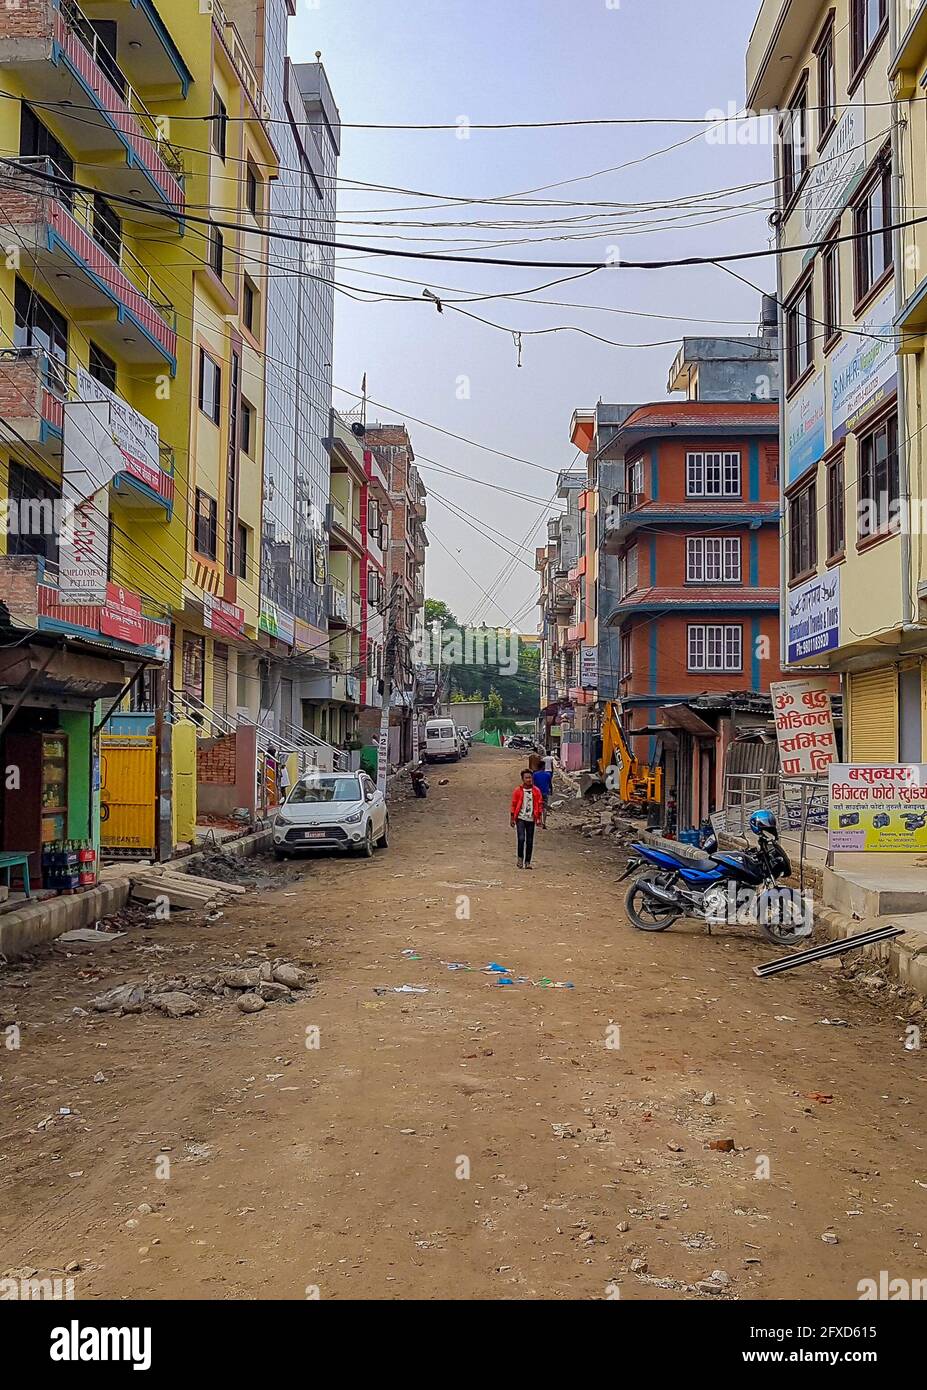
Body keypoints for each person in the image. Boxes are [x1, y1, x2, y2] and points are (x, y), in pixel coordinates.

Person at [510, 768, 543, 869]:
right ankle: (520, 858)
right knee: (521, 839)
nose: (529, 779)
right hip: (520, 818)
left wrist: (539, 818)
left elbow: (540, 805)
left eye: (530, 777)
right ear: (522, 779)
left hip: (531, 819)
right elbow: (514, 804)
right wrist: (512, 818)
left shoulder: (536, 791)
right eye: (526, 778)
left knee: (530, 841)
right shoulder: (518, 791)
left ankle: (527, 862)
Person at [532, 763, 553, 827]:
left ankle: (538, 821)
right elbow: (550, 784)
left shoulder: (535, 775)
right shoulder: (548, 774)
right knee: (544, 808)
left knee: (537, 806)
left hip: (536, 793)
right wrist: (551, 791)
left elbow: (532, 784)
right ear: (543, 767)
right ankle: (544, 822)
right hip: (545, 793)